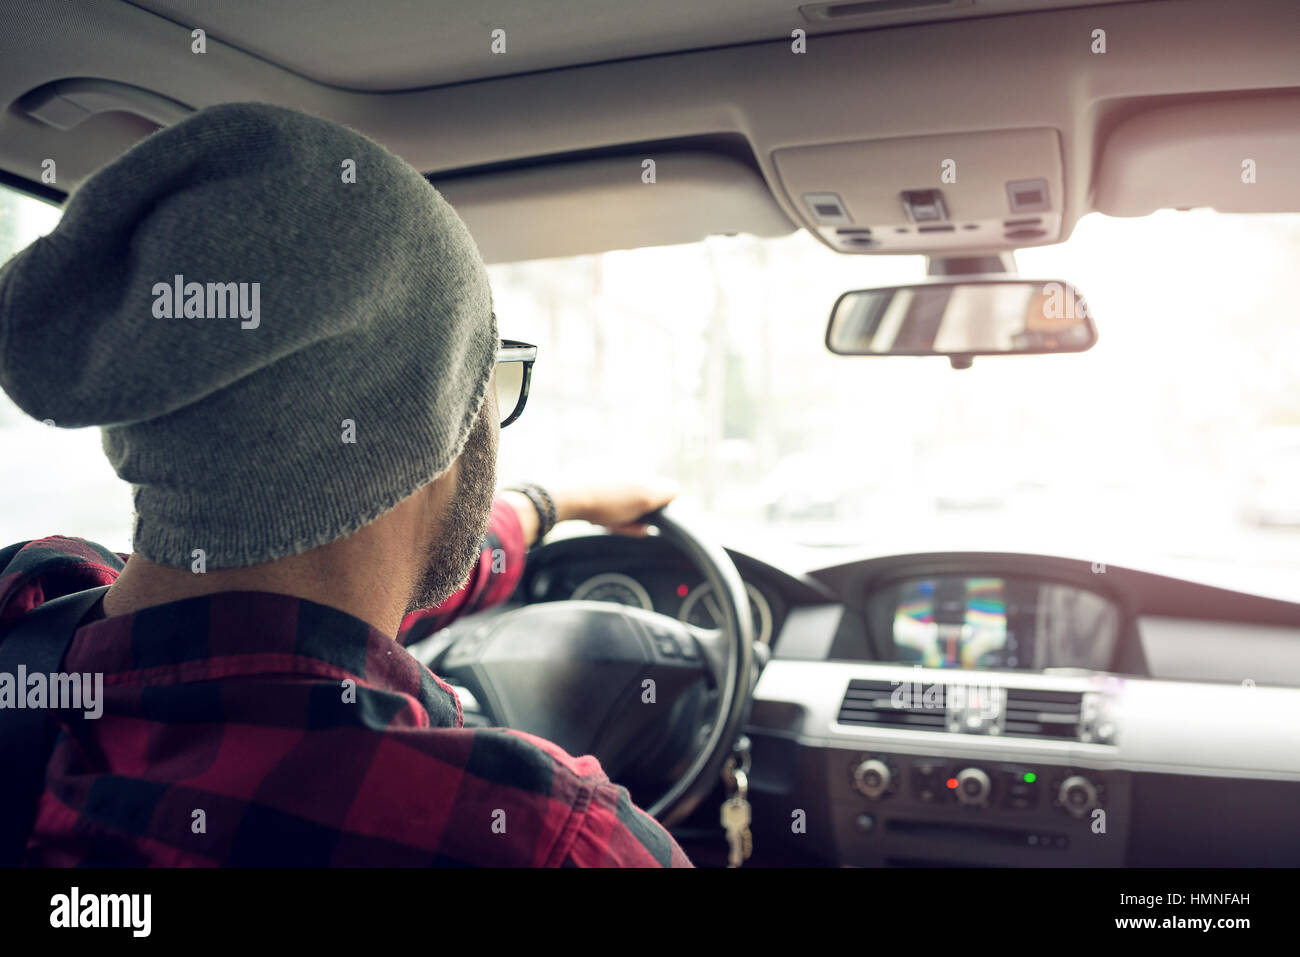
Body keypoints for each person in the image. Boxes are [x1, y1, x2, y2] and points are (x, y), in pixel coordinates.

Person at [0, 102, 690, 866]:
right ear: (432, 422)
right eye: (488, 380)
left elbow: (324, 587)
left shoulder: (29, 594)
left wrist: (557, 504)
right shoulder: (545, 838)